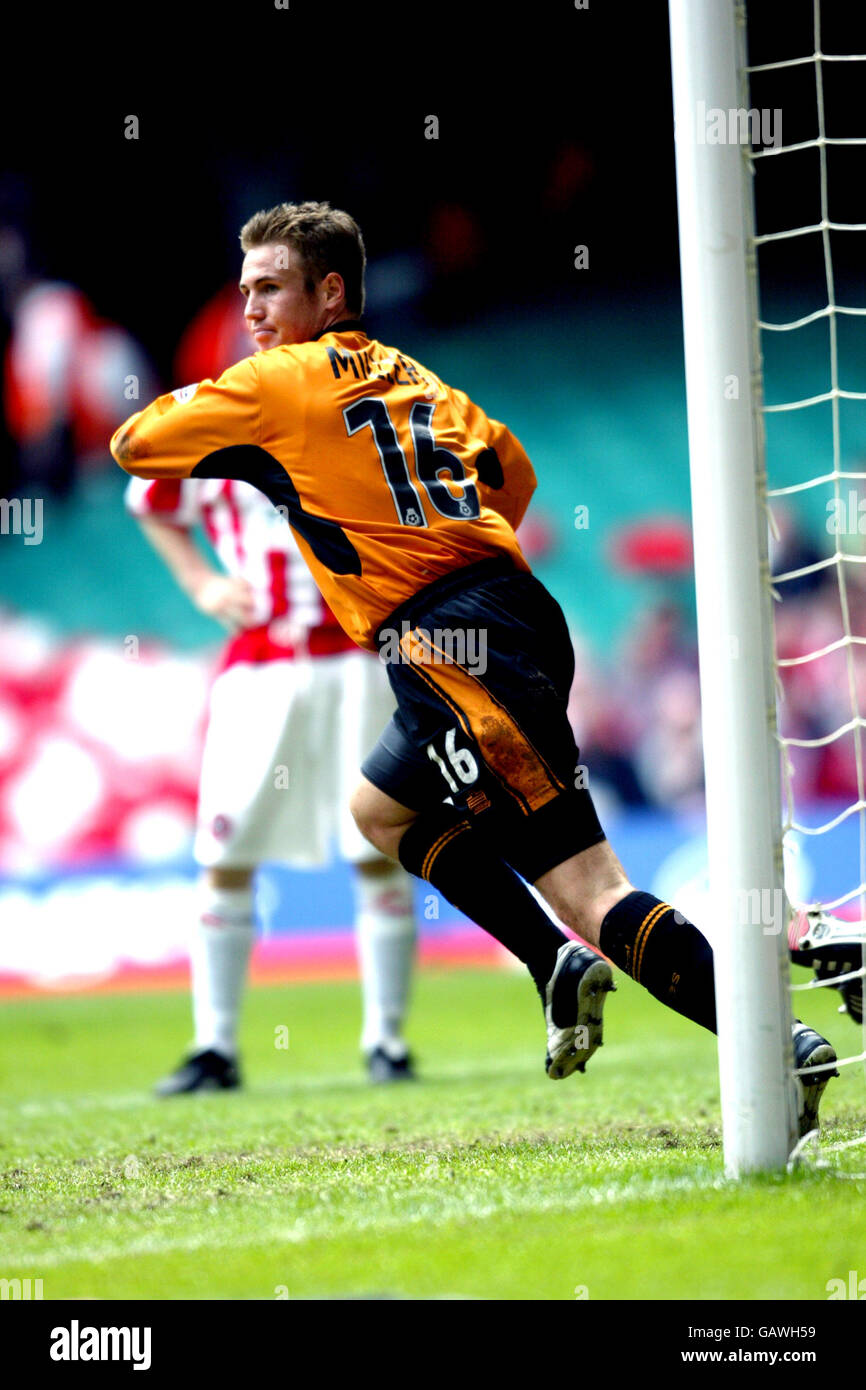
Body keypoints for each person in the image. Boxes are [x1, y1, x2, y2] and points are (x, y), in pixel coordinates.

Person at [112, 200, 837, 1135]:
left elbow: (137, 445)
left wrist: (247, 431)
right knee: (381, 810)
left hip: (444, 641)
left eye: (269, 290)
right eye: (245, 290)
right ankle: (554, 964)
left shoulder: (273, 383)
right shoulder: (410, 373)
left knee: (590, 886)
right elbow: (514, 470)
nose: (250, 309)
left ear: (330, 292)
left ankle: (775, 1046)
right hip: (502, 615)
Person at [125, 472, 419, 1091]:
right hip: (263, 664)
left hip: (360, 656)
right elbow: (148, 496)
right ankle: (215, 1047)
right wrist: (199, 581)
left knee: (377, 847)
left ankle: (386, 1041)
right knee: (226, 853)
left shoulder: (345, 402)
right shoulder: (208, 420)